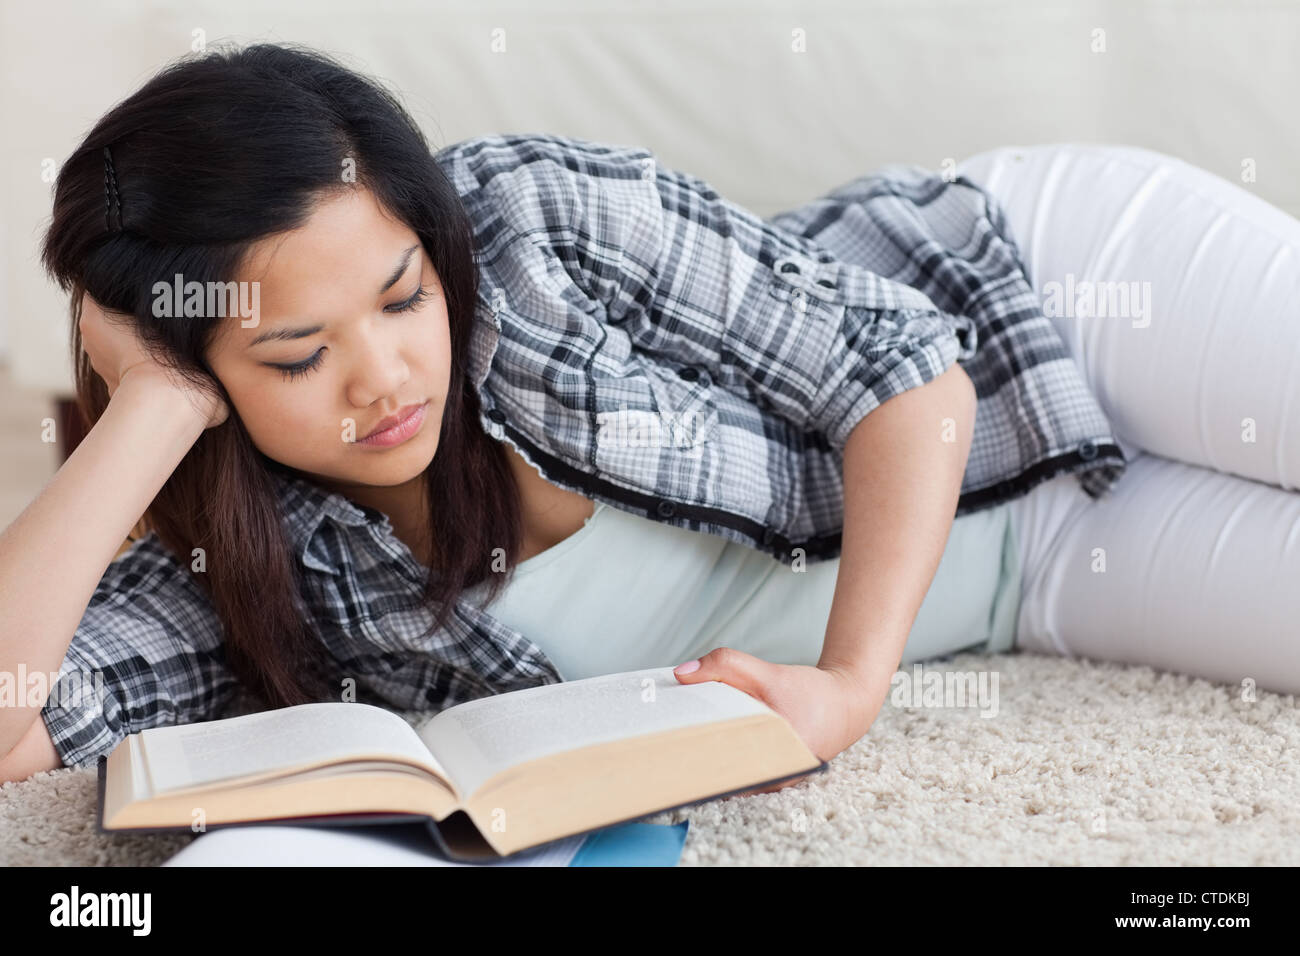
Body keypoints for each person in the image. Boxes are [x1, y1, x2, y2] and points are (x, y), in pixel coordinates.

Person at [0, 42, 1287, 790]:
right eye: (295, 354)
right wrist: (150, 410)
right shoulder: (254, 561)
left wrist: (848, 685)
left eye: (402, 295)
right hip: (1038, 565)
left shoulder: (532, 224)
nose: (384, 375)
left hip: (1049, 300)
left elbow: (899, 367)